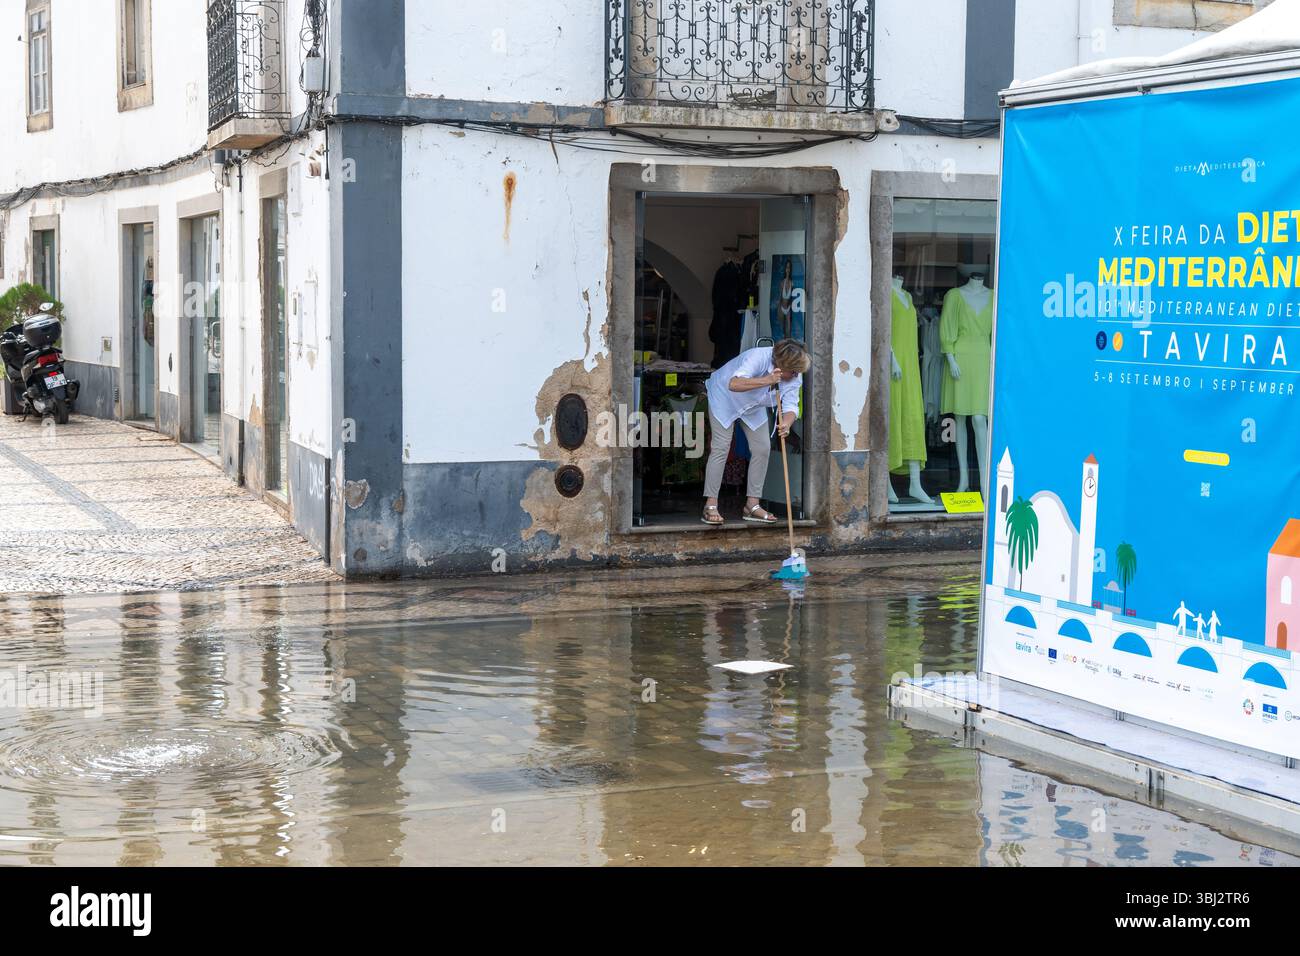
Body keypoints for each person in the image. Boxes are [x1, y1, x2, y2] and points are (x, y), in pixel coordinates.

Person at [701, 339, 810, 526]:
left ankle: (752, 505)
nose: (795, 375)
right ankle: (710, 504)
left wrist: (786, 423)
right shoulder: (758, 356)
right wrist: (767, 380)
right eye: (792, 371)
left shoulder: (794, 375)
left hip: (753, 406)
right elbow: (734, 383)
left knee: (762, 448)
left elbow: (791, 405)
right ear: (782, 366)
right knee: (721, 447)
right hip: (725, 398)